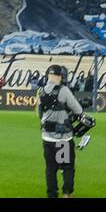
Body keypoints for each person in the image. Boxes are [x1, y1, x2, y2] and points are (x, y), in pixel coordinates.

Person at [37, 64, 86, 198]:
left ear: (48, 76)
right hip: (63, 140)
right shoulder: (63, 90)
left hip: (47, 138)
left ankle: (52, 195)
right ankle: (66, 194)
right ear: (60, 77)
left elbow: (40, 115)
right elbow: (78, 110)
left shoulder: (41, 91)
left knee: (51, 169)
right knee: (67, 167)